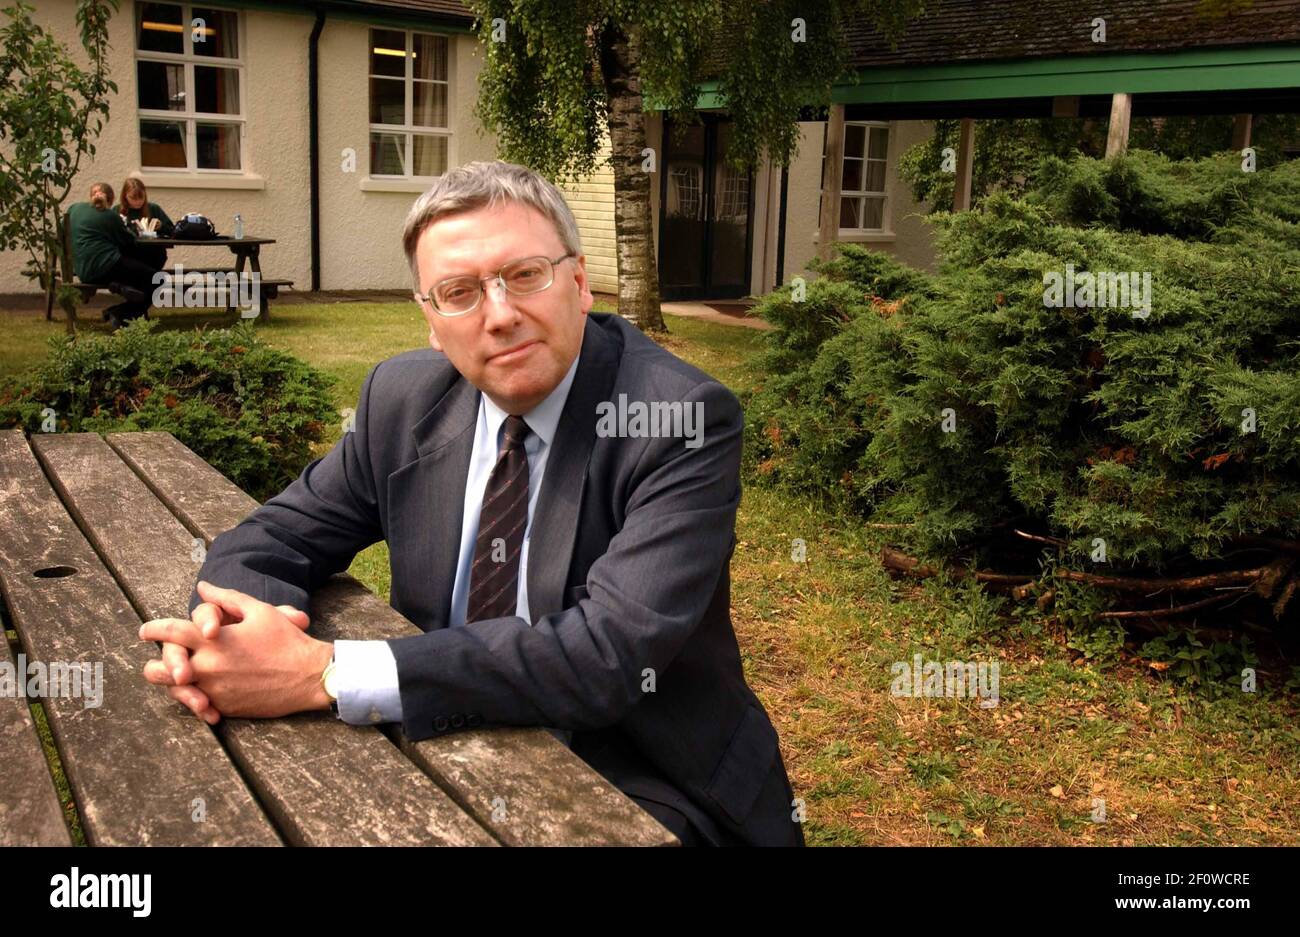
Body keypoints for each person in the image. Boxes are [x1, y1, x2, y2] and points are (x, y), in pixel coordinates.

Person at [137, 160, 803, 847]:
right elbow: (270, 537)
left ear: (578, 283)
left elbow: (606, 655)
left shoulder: (677, 418)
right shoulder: (402, 401)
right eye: (459, 292)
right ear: (431, 321)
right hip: (445, 738)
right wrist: (236, 637)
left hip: (639, 769)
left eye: (525, 275)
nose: (502, 315)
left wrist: (322, 673)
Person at [65, 182, 154, 329]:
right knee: (157, 278)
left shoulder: (74, 208)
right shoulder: (109, 215)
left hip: (82, 270)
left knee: (138, 274)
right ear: (111, 200)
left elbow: (64, 232)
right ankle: (119, 312)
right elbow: (129, 241)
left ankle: (120, 289)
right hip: (107, 266)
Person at [118, 176, 173, 272]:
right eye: (133, 198)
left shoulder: (153, 208)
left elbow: (172, 230)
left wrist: (161, 226)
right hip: (129, 254)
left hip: (152, 254)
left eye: (141, 197)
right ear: (125, 196)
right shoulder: (117, 211)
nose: (138, 202)